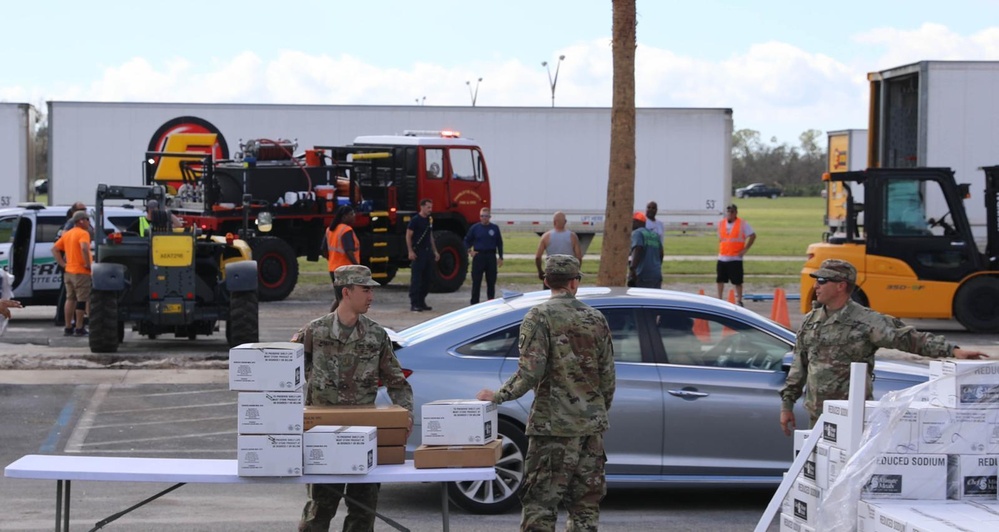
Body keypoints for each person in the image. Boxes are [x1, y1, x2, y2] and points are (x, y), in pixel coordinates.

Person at [476, 255, 615, 531]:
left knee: (540, 506)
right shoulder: (596, 318)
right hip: (590, 431)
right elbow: (607, 377)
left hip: (552, 429)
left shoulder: (539, 316)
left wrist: (499, 395)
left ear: (546, 281)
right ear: (574, 283)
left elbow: (531, 371)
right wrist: (594, 412)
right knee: (585, 508)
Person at [779, 259, 988, 435]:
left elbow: (907, 338)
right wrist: (787, 405)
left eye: (822, 281)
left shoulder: (866, 321)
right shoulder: (811, 320)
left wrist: (953, 350)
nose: (816, 286)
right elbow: (799, 365)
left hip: (853, 417)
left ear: (841, 285)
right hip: (817, 417)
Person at [291, 265, 414, 532]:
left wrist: (405, 415)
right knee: (318, 512)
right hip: (322, 436)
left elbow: (397, 382)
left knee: (362, 513)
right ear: (346, 292)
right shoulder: (314, 332)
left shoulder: (376, 335)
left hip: (363, 437)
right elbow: (284, 372)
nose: (371, 296)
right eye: (365, 290)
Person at [52, 210, 92, 337]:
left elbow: (55, 249)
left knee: (70, 299)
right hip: (81, 272)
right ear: (81, 221)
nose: (89, 222)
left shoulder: (68, 234)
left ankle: (68, 327)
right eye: (87, 220)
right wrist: (88, 264)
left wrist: (62, 264)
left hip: (69, 271)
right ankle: (79, 327)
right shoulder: (83, 233)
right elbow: (84, 248)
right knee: (82, 300)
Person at [716, 203, 755, 306]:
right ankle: (719, 299)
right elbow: (721, 238)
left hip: (735, 258)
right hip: (723, 256)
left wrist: (745, 249)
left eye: (732, 212)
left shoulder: (742, 224)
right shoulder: (721, 224)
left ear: (736, 213)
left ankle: (739, 300)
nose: (730, 213)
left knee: (737, 281)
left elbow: (752, 235)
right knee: (720, 280)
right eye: (728, 211)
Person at [464, 207, 504, 304]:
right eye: (482, 216)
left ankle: (491, 302)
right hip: (479, 256)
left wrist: (500, 257)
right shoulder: (475, 228)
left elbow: (499, 243)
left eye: (486, 216)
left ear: (490, 217)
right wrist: (469, 251)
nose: (484, 218)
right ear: (480, 217)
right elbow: (466, 241)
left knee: (491, 282)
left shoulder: (494, 228)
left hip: (490, 256)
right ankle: (474, 303)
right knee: (476, 282)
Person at [405, 198, 439, 312]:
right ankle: (414, 303)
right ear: (422, 207)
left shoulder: (429, 220)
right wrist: (410, 251)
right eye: (428, 207)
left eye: (431, 207)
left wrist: (435, 251)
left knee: (428, 279)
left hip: (428, 252)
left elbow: (430, 236)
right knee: (416, 279)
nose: (430, 209)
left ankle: (422, 301)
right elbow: (408, 235)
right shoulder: (415, 220)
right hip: (418, 252)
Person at [534, 211, 583, 286]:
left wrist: (540, 271)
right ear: (565, 222)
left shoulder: (546, 236)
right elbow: (579, 257)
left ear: (554, 222)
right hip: (568, 273)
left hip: (552, 273)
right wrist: (577, 271)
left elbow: (538, 257)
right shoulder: (572, 237)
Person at [321, 206, 359, 287]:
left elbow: (324, 250)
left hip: (333, 269)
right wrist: (358, 267)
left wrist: (332, 260)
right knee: (348, 294)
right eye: (351, 214)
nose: (354, 216)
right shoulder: (346, 230)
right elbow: (349, 252)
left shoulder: (329, 230)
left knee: (340, 294)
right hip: (346, 270)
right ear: (344, 217)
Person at [629, 211, 663, 288]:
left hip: (642, 275)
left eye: (632, 222)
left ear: (637, 222)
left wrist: (632, 269)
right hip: (656, 275)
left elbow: (638, 249)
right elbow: (661, 253)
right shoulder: (654, 234)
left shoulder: (637, 233)